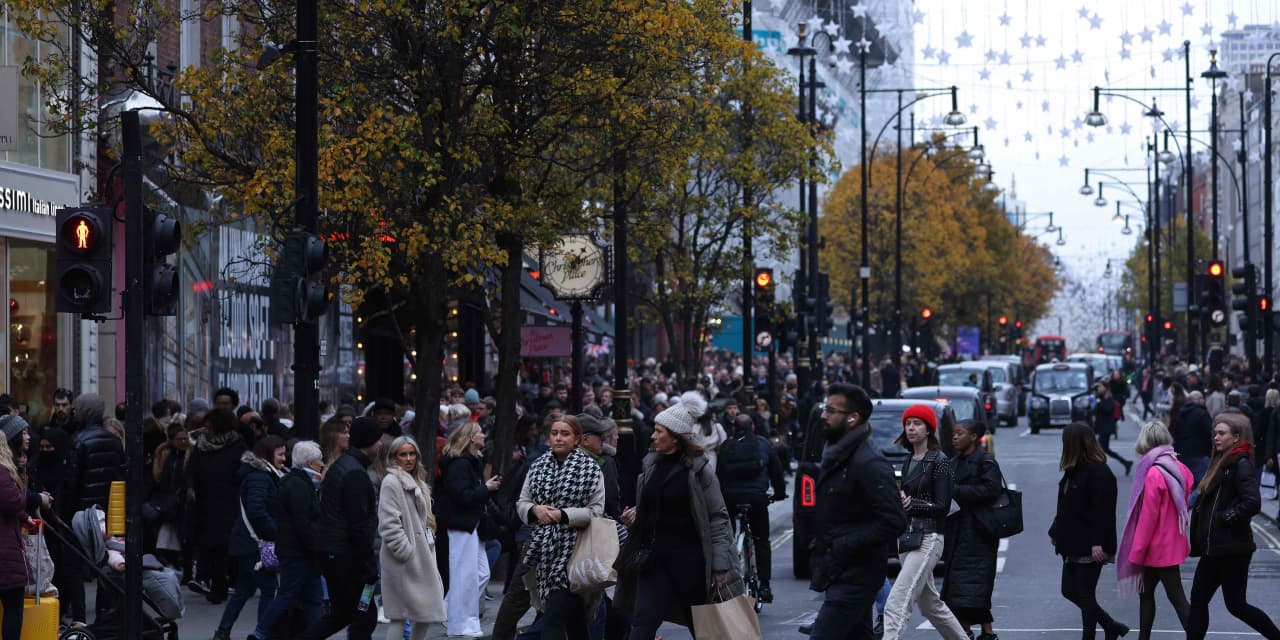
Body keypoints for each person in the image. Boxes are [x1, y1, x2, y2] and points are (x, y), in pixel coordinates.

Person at [616, 391, 737, 639]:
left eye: (659, 431)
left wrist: (720, 565)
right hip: (653, 561)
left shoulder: (698, 470)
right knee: (642, 625)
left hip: (688, 564)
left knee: (706, 630)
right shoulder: (651, 466)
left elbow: (717, 517)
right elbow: (654, 504)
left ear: (675, 438)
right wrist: (637, 515)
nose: (653, 436)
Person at [804, 383, 906, 639]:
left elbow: (894, 520)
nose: (823, 416)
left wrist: (843, 544)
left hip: (857, 574)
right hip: (840, 568)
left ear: (853, 418)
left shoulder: (868, 462)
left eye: (831, 410)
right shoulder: (839, 454)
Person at [1186, 412, 1280, 640]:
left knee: (1236, 605)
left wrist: (1224, 517)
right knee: (1199, 602)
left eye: (1221, 433)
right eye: (1215, 433)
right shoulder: (1220, 463)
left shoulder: (1240, 465)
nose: (1216, 437)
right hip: (1214, 549)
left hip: (1231, 550)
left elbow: (1252, 502)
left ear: (1236, 437)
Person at [882, 405, 968, 640]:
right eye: (908, 423)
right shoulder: (909, 459)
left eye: (917, 423)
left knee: (897, 602)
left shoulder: (939, 461)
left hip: (929, 539)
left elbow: (942, 506)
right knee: (932, 606)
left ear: (929, 429)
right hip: (909, 538)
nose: (911, 428)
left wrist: (913, 504)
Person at [517, 415, 605, 639]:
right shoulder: (537, 467)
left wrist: (563, 515)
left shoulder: (591, 469)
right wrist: (535, 510)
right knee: (574, 620)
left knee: (553, 619)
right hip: (543, 551)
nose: (558, 438)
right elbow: (522, 502)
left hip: (576, 552)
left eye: (565, 434)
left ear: (577, 439)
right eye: (554, 433)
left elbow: (596, 511)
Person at [297, 417, 383, 640]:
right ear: (370, 442)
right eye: (378, 440)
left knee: (346, 613)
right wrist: (368, 563)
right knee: (363, 614)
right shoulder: (355, 473)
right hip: (346, 558)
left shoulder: (344, 466)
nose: (381, 445)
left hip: (337, 554)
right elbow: (359, 524)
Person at [1049, 422, 1128, 640]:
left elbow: (1102, 511)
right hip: (1072, 541)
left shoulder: (1098, 472)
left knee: (1085, 594)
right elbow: (1066, 505)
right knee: (1069, 590)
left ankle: (1091, 636)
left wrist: (1098, 543)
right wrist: (1056, 530)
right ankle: (1111, 625)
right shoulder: (1073, 471)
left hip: (1090, 543)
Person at [1116, 421, 1192, 640]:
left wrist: (1136, 550)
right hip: (1172, 543)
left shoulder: (1152, 473)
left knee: (1173, 598)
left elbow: (1148, 518)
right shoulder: (1177, 466)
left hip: (1154, 548)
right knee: (1148, 594)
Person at [215, 435, 286, 640]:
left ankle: (223, 631)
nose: (284, 458)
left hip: (245, 542)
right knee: (268, 588)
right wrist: (274, 533)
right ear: (267, 455)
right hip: (254, 543)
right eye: (280, 454)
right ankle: (262, 632)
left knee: (243, 590)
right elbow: (257, 511)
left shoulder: (258, 475)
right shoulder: (260, 477)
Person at [253, 440, 325, 640]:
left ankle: (311, 633)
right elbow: (303, 521)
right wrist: (316, 545)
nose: (322, 464)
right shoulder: (299, 485)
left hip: (298, 550)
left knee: (312, 598)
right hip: (298, 552)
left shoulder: (294, 481)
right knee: (290, 595)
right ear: (310, 463)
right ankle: (261, 632)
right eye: (320, 460)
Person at [436, 421, 501, 638]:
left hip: (471, 524)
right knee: (465, 575)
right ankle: (458, 621)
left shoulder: (470, 462)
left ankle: (461, 616)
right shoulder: (460, 465)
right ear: (472, 438)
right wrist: (486, 489)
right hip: (462, 524)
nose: (483, 436)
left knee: (480, 573)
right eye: (480, 433)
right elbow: (463, 496)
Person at [378, 436, 446, 640]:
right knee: (400, 616)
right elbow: (389, 525)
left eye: (412, 454)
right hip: (403, 561)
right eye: (403, 454)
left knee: (425, 614)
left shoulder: (417, 481)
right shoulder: (392, 482)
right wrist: (407, 552)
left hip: (421, 556)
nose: (408, 459)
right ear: (394, 457)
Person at [941, 421, 1003, 640]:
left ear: (974, 436)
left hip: (980, 532)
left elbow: (992, 489)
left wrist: (955, 491)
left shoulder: (985, 462)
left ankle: (970, 631)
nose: (954, 437)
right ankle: (982, 632)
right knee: (964, 588)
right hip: (956, 531)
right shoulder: (952, 462)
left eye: (960, 433)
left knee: (972, 587)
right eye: (953, 434)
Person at [715, 413, 786, 603]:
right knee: (761, 540)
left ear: (733, 429)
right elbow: (777, 472)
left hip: (730, 497)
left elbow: (718, 474)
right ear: (753, 427)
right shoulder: (764, 444)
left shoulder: (727, 446)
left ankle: (728, 580)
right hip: (757, 498)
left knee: (726, 538)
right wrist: (779, 493)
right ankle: (764, 585)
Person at [186, 408, 249, 603]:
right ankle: (208, 579)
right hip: (204, 502)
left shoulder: (237, 446)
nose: (206, 431)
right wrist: (190, 487)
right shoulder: (201, 446)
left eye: (210, 427)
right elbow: (191, 469)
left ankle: (219, 585)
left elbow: (241, 473)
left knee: (221, 546)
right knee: (207, 544)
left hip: (227, 502)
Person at [0, 434, 32, 640]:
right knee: (13, 606)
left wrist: (22, 516)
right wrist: (23, 497)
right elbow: (10, 501)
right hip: (4, 550)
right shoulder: (1, 472)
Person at [1171, 391, 1213, 488]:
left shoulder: (1181, 413)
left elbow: (1175, 432)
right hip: (1200, 454)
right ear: (1199, 400)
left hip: (1183, 454)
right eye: (1202, 398)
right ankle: (1191, 503)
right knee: (1201, 485)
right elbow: (1210, 432)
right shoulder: (1202, 414)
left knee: (1187, 484)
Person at [1094, 383, 1133, 476]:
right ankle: (1126, 463)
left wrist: (1099, 403)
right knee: (1106, 449)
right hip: (1102, 427)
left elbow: (1107, 410)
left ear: (1106, 388)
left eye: (1100, 387)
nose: (1098, 388)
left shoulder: (1109, 399)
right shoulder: (1101, 398)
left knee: (1099, 449)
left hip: (1106, 428)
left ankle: (1100, 470)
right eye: (1098, 387)